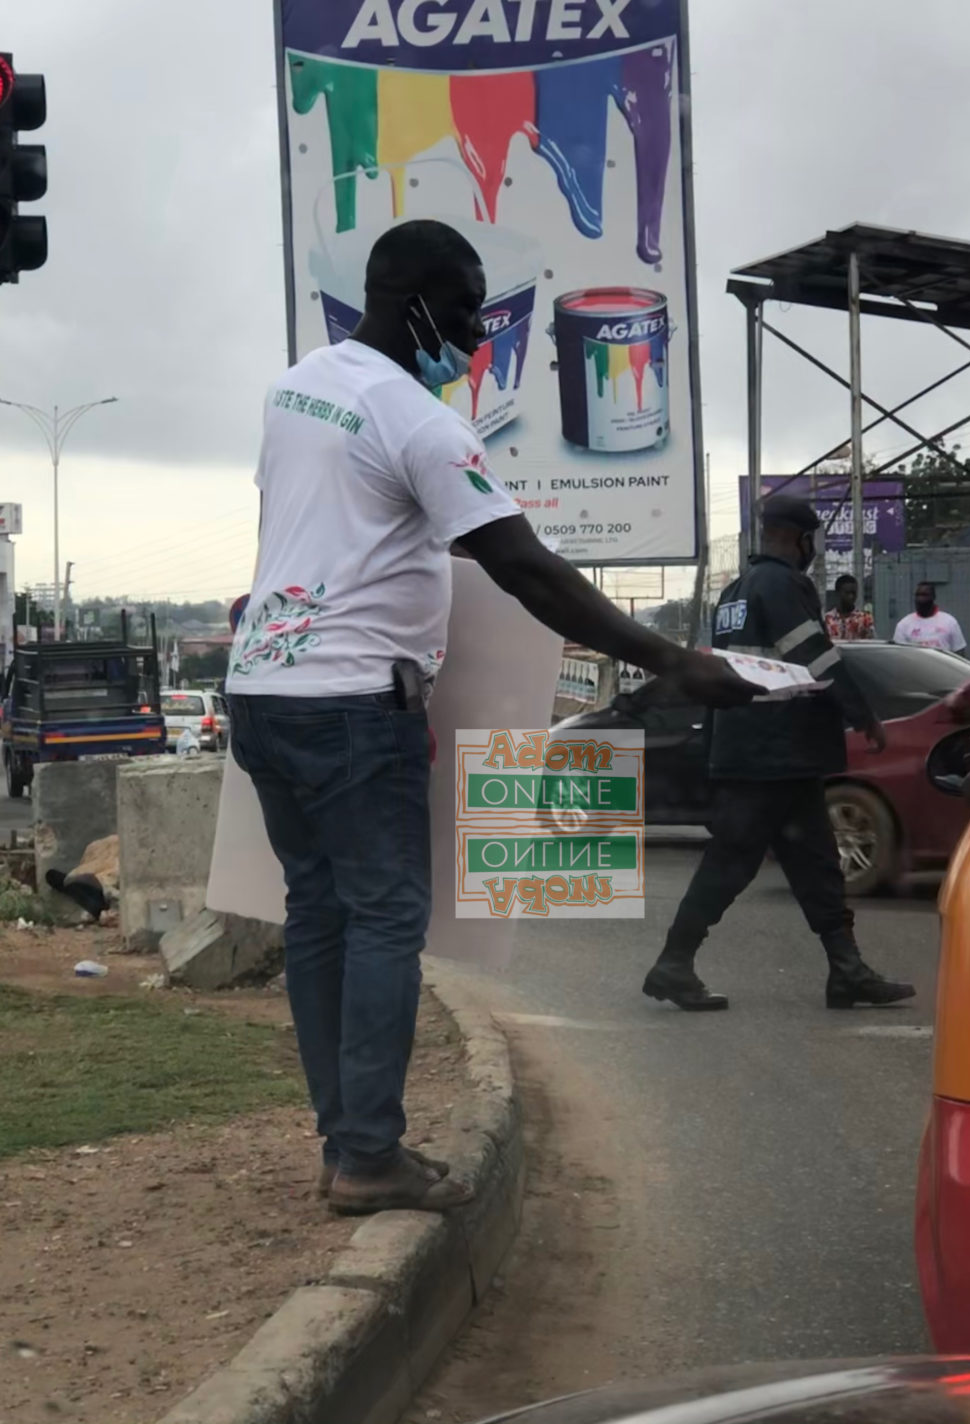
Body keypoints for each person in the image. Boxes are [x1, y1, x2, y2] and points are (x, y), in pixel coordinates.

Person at [225, 219, 757, 1217]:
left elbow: (344, 527)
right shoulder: (420, 421)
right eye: (466, 309)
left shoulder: (298, 386)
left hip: (266, 691)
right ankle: (370, 1153)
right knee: (384, 915)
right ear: (409, 298)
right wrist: (677, 659)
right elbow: (524, 568)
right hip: (351, 706)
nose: (477, 335)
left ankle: (349, 1142)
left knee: (319, 914)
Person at [641, 495, 916, 1013]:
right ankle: (674, 964)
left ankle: (846, 970)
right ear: (799, 539)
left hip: (765, 751)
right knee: (731, 862)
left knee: (815, 864)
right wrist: (863, 715)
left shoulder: (734, 593)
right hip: (774, 748)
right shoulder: (783, 584)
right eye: (811, 542)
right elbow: (815, 655)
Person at [892, 582, 966, 654]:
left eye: (924, 595)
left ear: (933, 597)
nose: (920, 599)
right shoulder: (904, 624)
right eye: (917, 595)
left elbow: (959, 652)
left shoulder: (949, 622)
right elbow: (899, 655)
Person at [824, 574, 875, 641]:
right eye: (847, 593)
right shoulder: (827, 619)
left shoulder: (865, 619)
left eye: (853, 593)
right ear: (837, 593)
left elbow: (871, 644)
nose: (851, 596)